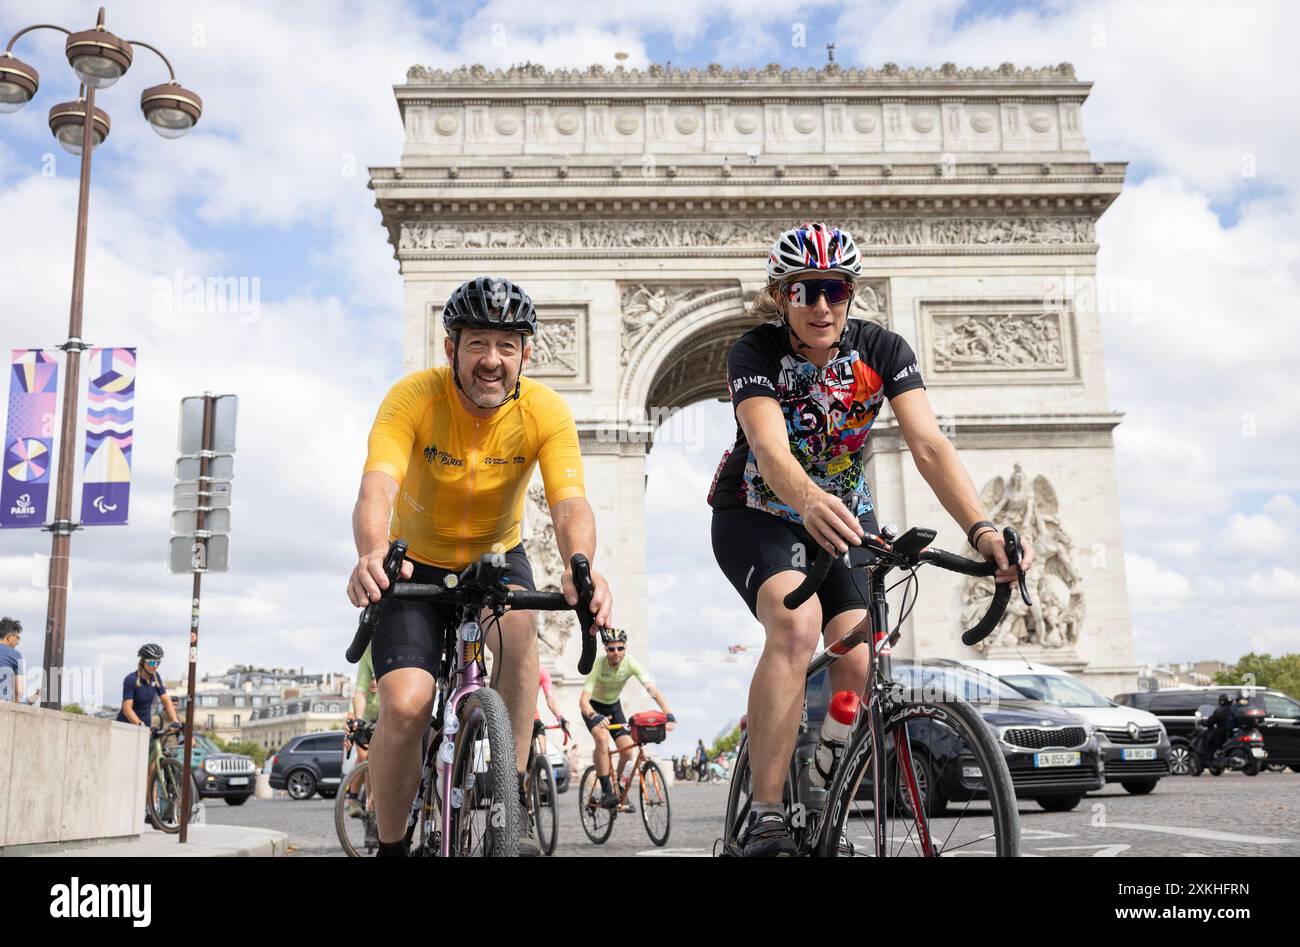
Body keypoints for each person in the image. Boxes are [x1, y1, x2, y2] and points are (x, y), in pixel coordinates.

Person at [708, 222, 1035, 856]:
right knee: (796, 627)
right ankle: (767, 814)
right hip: (758, 511)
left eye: (834, 290)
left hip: (847, 517)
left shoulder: (883, 349)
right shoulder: (753, 352)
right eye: (804, 291)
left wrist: (982, 528)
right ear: (780, 296)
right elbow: (770, 450)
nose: (821, 306)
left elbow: (928, 445)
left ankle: (820, 791)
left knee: (857, 657)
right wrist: (807, 500)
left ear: (851, 293)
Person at [348, 276, 612, 858]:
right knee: (406, 705)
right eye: (477, 344)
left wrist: (581, 565)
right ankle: (391, 845)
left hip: (497, 556)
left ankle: (509, 797)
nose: (492, 360)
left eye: (507, 346)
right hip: (414, 564)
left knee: (520, 637)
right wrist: (371, 551)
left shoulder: (547, 410)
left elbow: (570, 504)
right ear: (451, 349)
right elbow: (377, 486)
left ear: (526, 354)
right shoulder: (412, 397)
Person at [579, 628, 675, 809]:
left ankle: (619, 788)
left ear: (625, 648)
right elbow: (583, 701)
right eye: (611, 649)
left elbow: (651, 689)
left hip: (614, 707)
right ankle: (606, 791)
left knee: (628, 750)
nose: (616, 652)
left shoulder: (630, 663)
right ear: (605, 649)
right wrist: (594, 715)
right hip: (594, 708)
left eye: (620, 648)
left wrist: (667, 712)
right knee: (602, 739)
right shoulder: (599, 664)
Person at [345, 643, 381, 848]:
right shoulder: (364, 691)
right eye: (371, 680)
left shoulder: (382, 690)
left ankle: (376, 800)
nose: (373, 683)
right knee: (364, 757)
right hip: (365, 722)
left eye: (376, 680)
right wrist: (356, 722)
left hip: (381, 721)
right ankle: (354, 799)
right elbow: (356, 699)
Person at [117, 644, 180, 731]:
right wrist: (140, 724)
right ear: (143, 662)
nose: (155, 666)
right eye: (152, 662)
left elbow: (166, 700)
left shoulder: (156, 677)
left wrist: (175, 721)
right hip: (126, 725)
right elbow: (127, 709)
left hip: (145, 725)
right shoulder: (131, 679)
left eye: (158, 663)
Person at [0, 617, 23, 704]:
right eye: (17, 638)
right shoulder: (16, 655)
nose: (18, 642)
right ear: (9, 637)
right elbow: (19, 691)